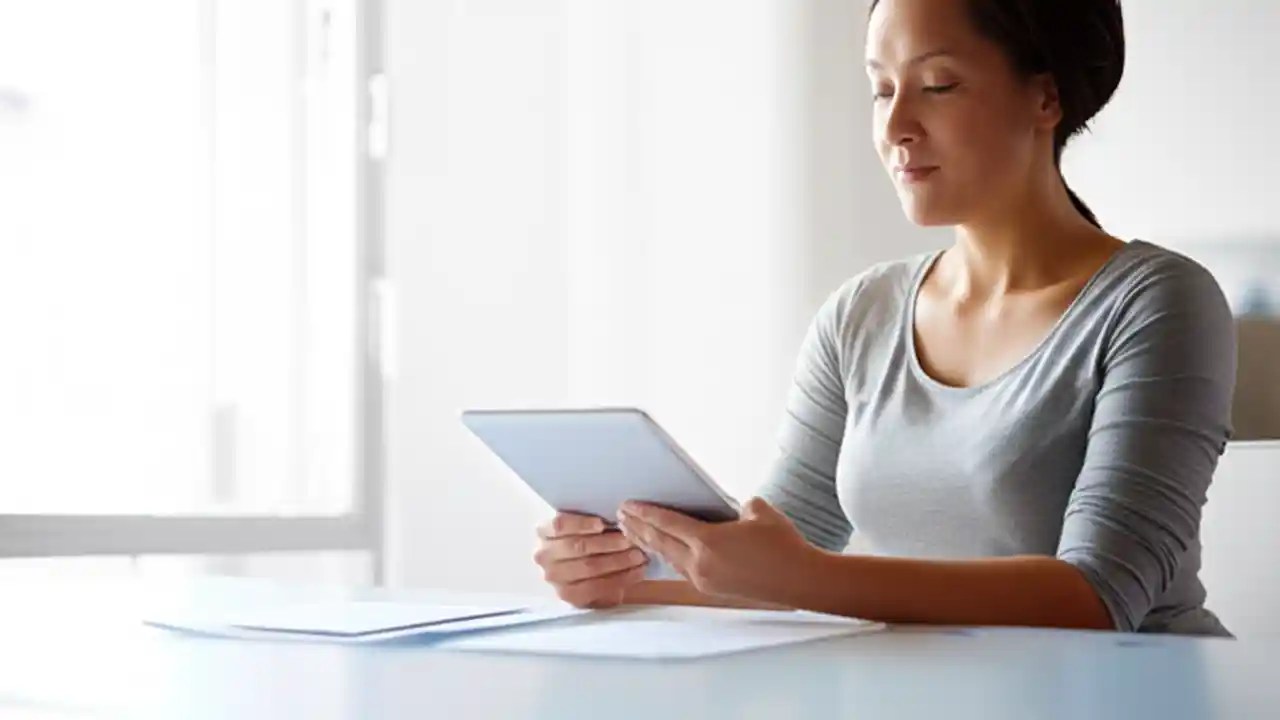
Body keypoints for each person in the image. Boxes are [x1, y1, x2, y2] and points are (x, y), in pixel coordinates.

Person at [532, 0, 1236, 635]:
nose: (896, 126)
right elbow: (784, 549)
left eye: (938, 86)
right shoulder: (860, 314)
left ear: (1045, 96)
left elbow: (1099, 595)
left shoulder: (1157, 301)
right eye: (880, 89)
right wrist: (625, 581)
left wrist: (799, 576)